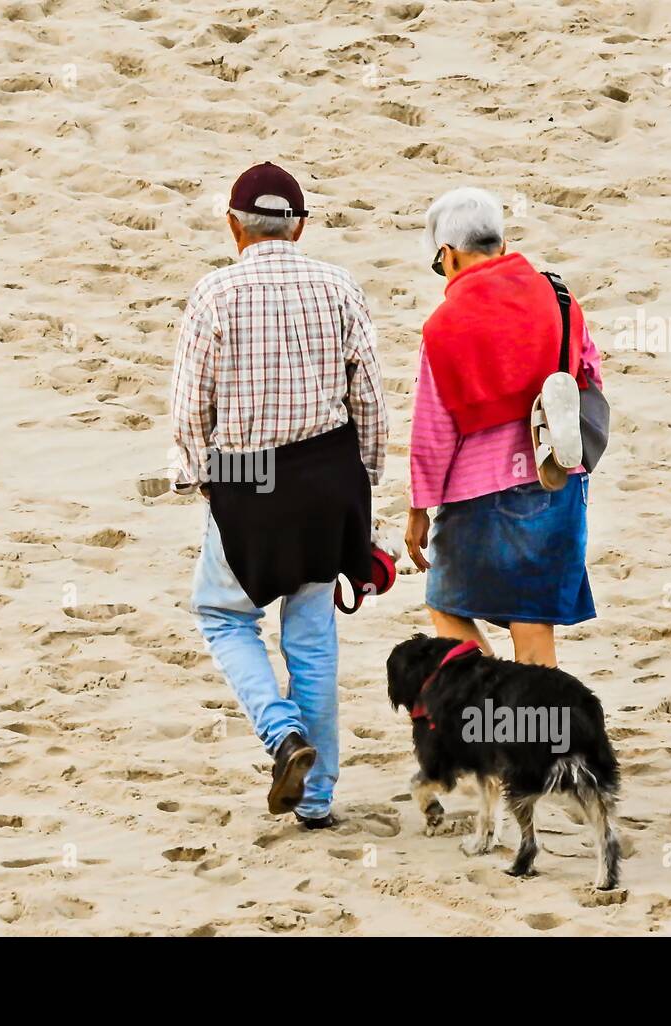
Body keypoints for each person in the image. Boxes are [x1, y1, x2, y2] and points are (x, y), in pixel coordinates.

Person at [171, 161, 387, 828]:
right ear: (299, 228)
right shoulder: (338, 286)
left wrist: (201, 480)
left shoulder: (214, 294)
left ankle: (281, 734)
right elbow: (369, 398)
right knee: (314, 637)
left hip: (249, 474)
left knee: (222, 615)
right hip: (327, 474)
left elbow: (189, 411)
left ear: (234, 226)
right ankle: (317, 799)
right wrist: (364, 481)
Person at [405, 187, 602, 667]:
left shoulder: (445, 324)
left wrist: (419, 509)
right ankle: (538, 735)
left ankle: (490, 705)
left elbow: (435, 429)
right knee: (533, 626)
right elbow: (589, 376)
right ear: (501, 243)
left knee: (445, 604)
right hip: (556, 479)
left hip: (480, 493)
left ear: (448, 254)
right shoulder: (559, 298)